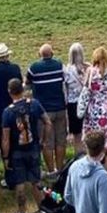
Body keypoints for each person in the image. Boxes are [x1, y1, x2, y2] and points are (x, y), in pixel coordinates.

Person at [1, 79, 52, 213]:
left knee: (20, 183)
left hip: (17, 152)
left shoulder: (8, 112)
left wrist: (5, 157)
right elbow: (47, 123)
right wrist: (43, 141)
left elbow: (5, 138)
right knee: (36, 180)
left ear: (9, 92)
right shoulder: (34, 104)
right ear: (22, 90)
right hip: (34, 148)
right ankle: (43, 210)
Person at [25, 44, 67, 177]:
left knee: (47, 142)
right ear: (52, 54)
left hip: (44, 111)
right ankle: (60, 169)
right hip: (60, 108)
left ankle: (51, 171)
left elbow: (27, 82)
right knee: (61, 140)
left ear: (40, 55)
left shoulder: (34, 68)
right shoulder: (60, 65)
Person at [80, 48, 107, 175]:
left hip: (94, 110)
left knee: (94, 145)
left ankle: (94, 174)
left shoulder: (91, 72)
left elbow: (85, 88)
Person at [65, 132, 107, 213]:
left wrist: (81, 207)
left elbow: (68, 196)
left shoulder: (74, 166)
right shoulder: (103, 177)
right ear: (103, 149)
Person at [64, 43, 88, 154]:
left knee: (77, 134)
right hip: (86, 102)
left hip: (73, 104)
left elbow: (65, 88)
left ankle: (78, 155)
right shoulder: (88, 68)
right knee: (89, 131)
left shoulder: (67, 70)